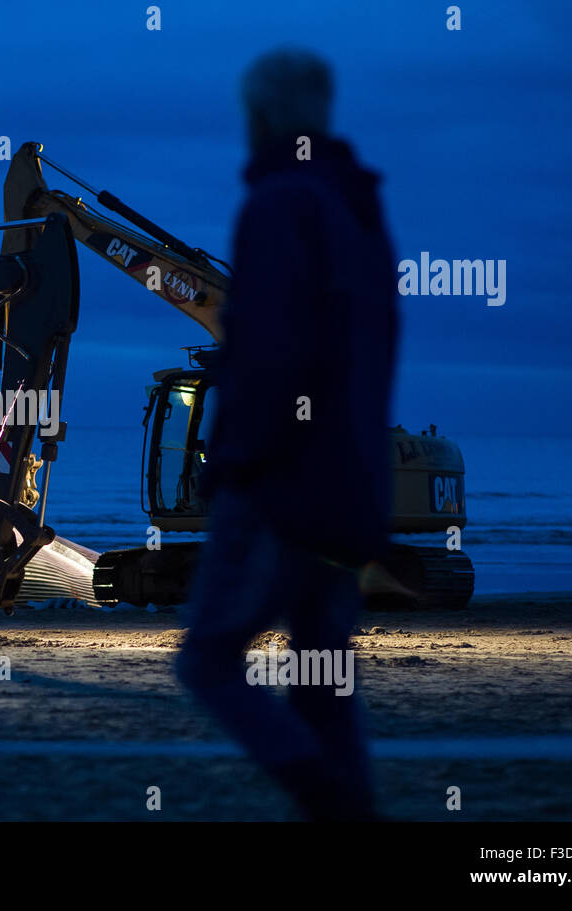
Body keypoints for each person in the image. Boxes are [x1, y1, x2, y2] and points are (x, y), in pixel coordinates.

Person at [174, 47, 398, 821]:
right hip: (350, 493)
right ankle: (353, 810)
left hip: (280, 485)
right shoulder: (360, 213)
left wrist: (233, 462)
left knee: (208, 659)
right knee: (324, 680)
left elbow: (268, 351)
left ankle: (326, 795)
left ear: (261, 116)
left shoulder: (279, 206)